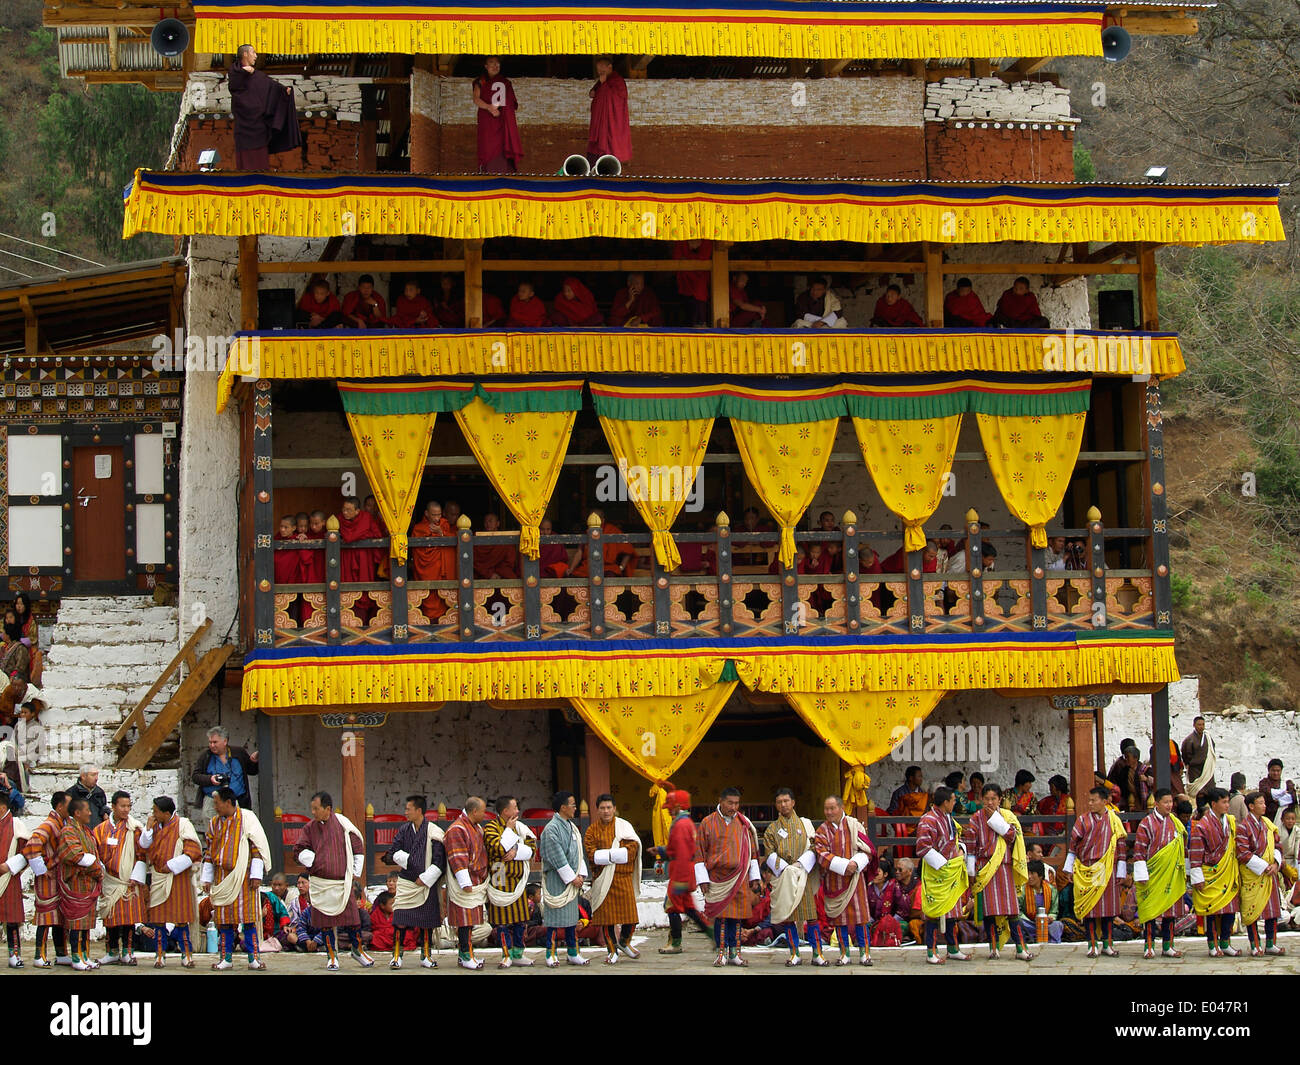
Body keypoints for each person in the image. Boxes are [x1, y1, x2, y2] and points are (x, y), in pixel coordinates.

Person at [294, 790, 372, 969]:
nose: (313, 812)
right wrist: (312, 859)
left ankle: (357, 950)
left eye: (316, 808)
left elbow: (357, 844)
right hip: (321, 884)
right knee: (325, 923)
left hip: (342, 883)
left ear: (327, 808)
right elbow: (299, 849)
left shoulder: (343, 824)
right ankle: (331, 956)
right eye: (312, 808)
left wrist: (355, 871)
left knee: (353, 920)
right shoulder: (309, 828)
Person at [201, 786, 269, 971]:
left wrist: (256, 875)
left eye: (217, 803)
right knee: (224, 921)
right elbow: (209, 851)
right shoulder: (214, 823)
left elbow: (256, 848)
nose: (215, 807)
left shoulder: (247, 819)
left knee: (248, 919)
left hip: (245, 877)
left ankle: (254, 959)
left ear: (228, 803)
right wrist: (206, 878)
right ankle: (226, 959)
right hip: (222, 878)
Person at [694, 786, 761, 967]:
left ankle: (735, 953)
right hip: (717, 878)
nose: (733, 807)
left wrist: (754, 877)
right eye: (730, 803)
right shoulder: (707, 823)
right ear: (720, 801)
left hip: (740, 877)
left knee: (737, 917)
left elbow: (752, 852)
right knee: (721, 916)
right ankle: (721, 953)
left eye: (736, 803)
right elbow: (699, 853)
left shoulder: (744, 823)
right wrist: (702, 879)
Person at [965, 783, 1033, 961]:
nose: (990, 802)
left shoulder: (1007, 816)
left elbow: (1012, 836)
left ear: (1000, 799)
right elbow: (971, 848)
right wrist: (971, 872)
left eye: (993, 799)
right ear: (981, 799)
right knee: (990, 911)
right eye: (986, 799)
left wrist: (994, 818)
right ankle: (993, 949)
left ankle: (1020, 948)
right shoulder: (975, 819)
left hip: (1004, 866)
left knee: (1011, 910)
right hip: (985, 868)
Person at [762, 786, 823, 966]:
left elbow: (815, 846)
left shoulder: (805, 824)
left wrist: (800, 865)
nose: (783, 805)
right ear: (776, 805)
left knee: (811, 915)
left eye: (786, 801)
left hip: (803, 874)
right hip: (785, 876)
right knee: (789, 916)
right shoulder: (772, 829)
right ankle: (794, 953)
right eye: (779, 802)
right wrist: (787, 869)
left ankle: (817, 954)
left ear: (793, 802)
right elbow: (769, 853)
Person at [1064, 785, 1127, 958]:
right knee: (1089, 909)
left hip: (1108, 868)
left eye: (1094, 800)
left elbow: (1121, 845)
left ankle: (1107, 944)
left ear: (1104, 801)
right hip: (1087, 869)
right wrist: (1069, 868)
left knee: (1108, 911)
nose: (1090, 803)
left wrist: (1121, 871)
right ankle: (1092, 945)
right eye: (1089, 800)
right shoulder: (1082, 820)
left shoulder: (1114, 820)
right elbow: (1073, 846)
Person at [383, 794, 444, 969]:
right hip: (407, 883)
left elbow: (439, 861)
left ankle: (426, 956)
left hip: (426, 884)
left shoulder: (434, 831)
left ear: (419, 810)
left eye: (408, 809)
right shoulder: (404, 830)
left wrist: (425, 878)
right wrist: (410, 861)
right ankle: (397, 956)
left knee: (426, 923)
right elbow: (393, 851)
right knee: (400, 919)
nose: (406, 812)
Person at [139, 795, 202, 968]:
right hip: (158, 877)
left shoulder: (183, 825)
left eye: (156, 811)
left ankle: (186, 955)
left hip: (177, 877)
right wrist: (148, 828)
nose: (153, 814)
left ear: (166, 813)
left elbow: (193, 851)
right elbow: (144, 846)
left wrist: (172, 865)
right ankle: (160, 955)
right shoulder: (155, 826)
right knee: (158, 919)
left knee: (181, 918)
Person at [814, 793, 874, 966]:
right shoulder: (822, 830)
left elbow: (867, 849)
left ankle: (865, 954)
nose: (829, 812)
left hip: (855, 879)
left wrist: (855, 863)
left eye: (832, 808)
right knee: (839, 920)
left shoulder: (854, 825)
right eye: (826, 809)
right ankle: (844, 953)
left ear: (841, 808)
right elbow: (821, 854)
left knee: (861, 918)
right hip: (834, 879)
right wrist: (843, 865)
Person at [915, 786, 970, 964]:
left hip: (951, 870)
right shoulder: (928, 820)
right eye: (953, 800)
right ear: (945, 802)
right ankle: (931, 952)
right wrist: (944, 864)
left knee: (952, 911)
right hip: (936, 871)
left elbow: (957, 838)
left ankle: (953, 949)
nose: (955, 803)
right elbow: (923, 847)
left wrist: (960, 851)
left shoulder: (948, 818)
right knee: (934, 912)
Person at [91, 790, 147, 965]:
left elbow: (142, 854)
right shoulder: (100, 830)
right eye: (122, 806)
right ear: (113, 806)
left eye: (129, 806)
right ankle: (112, 952)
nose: (126, 810)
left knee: (129, 919)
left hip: (129, 880)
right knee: (111, 918)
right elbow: (95, 853)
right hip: (109, 880)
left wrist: (136, 876)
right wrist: (100, 871)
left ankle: (127, 952)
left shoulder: (135, 829)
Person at [584, 793, 641, 964]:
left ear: (614, 809)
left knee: (631, 917)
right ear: (597, 810)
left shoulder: (624, 826)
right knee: (607, 919)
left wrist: (607, 856)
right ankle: (612, 949)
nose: (606, 811)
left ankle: (624, 941)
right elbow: (592, 854)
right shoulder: (592, 830)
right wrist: (616, 855)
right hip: (603, 879)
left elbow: (632, 848)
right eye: (602, 808)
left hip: (623, 877)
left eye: (609, 807)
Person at [1130, 787, 1186, 959]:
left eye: (1171, 802)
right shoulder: (1146, 824)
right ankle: (1149, 946)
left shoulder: (1175, 822)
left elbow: (1181, 846)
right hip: (1152, 873)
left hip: (1171, 874)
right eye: (1165, 802)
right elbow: (1139, 850)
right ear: (1157, 803)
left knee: (1170, 912)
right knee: (1150, 911)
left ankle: (1168, 946)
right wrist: (1141, 873)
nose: (1169, 805)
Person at [482, 794, 536, 968]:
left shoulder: (520, 827)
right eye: (515, 808)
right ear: (505, 811)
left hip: (518, 882)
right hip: (500, 881)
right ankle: (506, 954)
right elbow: (498, 848)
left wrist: (516, 851)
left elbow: (532, 848)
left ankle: (518, 953)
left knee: (521, 920)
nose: (518, 811)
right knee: (502, 923)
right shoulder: (491, 828)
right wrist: (508, 831)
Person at [227, 43, 300, 169]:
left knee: (260, 163)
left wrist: (284, 91)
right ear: (245, 54)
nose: (256, 56)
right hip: (243, 126)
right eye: (253, 53)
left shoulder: (258, 75)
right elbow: (234, 86)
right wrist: (243, 72)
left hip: (259, 127)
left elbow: (272, 86)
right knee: (245, 165)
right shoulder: (235, 73)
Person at [538, 790, 589, 967]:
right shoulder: (551, 829)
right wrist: (572, 877)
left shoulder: (571, 827)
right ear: (563, 807)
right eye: (572, 805)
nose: (575, 808)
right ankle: (550, 953)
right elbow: (557, 856)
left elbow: (578, 853)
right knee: (554, 920)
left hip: (573, 879)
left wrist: (580, 874)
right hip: (557, 880)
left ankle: (573, 953)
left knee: (571, 920)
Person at [653, 789, 707, 954]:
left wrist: (680, 879)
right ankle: (712, 934)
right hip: (684, 871)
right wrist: (660, 850)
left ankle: (675, 943)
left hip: (680, 873)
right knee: (688, 908)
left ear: (677, 806)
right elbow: (677, 849)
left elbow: (681, 853)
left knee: (672, 906)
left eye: (670, 807)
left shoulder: (681, 825)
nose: (668, 810)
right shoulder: (684, 822)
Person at [1189, 787, 1240, 957]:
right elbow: (1196, 852)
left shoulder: (1230, 822)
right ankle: (1213, 944)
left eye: (1227, 802)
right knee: (1210, 910)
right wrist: (1197, 876)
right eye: (1224, 802)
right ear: (1213, 804)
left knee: (1230, 908)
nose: (1227, 805)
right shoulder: (1202, 826)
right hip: (1210, 873)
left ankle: (1225, 942)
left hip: (1227, 872)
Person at [23, 791, 70, 966]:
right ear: (60, 806)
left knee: (59, 917)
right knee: (46, 917)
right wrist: (42, 869)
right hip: (48, 879)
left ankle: (61, 954)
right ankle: (39, 956)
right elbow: (32, 845)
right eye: (69, 805)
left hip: (59, 877)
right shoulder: (49, 824)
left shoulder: (62, 823)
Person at [1236, 791, 1286, 956]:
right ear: (1251, 806)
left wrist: (1275, 863)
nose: (1264, 806)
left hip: (1270, 873)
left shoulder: (1268, 824)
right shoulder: (1243, 827)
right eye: (1261, 803)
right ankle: (1255, 944)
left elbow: (1277, 845)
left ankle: (1271, 944)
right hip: (1254, 874)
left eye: (1264, 803)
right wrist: (1264, 866)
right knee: (1252, 910)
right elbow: (1243, 852)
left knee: (1272, 911)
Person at [444, 796, 491, 969]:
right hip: (464, 883)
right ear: (474, 811)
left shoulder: (475, 827)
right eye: (483, 811)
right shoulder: (457, 829)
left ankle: (466, 955)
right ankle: (465, 955)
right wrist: (465, 883)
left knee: (470, 923)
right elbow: (457, 856)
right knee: (465, 922)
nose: (485, 815)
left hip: (476, 880)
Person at [58, 796, 104, 970]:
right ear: (77, 813)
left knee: (86, 925)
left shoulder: (86, 831)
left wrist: (97, 868)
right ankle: (76, 957)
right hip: (77, 883)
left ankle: (85, 955)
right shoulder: (68, 831)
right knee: (77, 923)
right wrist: (96, 869)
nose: (90, 814)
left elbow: (93, 854)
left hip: (89, 884)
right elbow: (75, 856)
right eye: (87, 810)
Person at [192, 726, 258, 821]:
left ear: (225, 741)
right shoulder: (206, 756)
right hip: (213, 802)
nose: (212, 745)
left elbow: (252, 771)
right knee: (213, 829)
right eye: (210, 742)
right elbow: (195, 776)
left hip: (237, 801)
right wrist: (210, 779)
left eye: (215, 742)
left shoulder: (239, 752)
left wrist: (254, 762)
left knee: (238, 828)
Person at [472, 55, 522, 173]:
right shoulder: (481, 81)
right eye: (491, 62)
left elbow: (509, 101)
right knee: (487, 145)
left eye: (497, 63)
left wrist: (498, 105)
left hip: (502, 121)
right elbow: (476, 99)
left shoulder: (505, 83)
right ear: (486, 66)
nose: (495, 65)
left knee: (504, 143)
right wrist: (489, 107)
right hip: (487, 121)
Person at [411, 500, 455, 621]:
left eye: (439, 515)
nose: (437, 518)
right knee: (430, 593)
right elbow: (417, 552)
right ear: (426, 513)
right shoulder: (419, 528)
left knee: (443, 594)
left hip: (443, 568)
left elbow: (455, 538)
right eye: (434, 515)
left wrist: (441, 533)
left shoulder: (444, 524)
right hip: (428, 569)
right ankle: (431, 620)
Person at [0, 791, 28, 967]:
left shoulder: (16, 825)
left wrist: (8, 866)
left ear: (2, 808)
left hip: (8, 877)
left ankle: (14, 955)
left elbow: (28, 852)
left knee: (11, 919)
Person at [587, 55, 631, 164]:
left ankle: (610, 164)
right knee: (594, 152)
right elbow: (593, 93)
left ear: (609, 67)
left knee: (611, 145)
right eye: (598, 69)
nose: (599, 72)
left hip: (611, 120)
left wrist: (604, 85)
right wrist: (594, 90)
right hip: (600, 121)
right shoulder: (603, 81)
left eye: (602, 68)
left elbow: (618, 99)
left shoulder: (617, 81)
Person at [339, 496, 385, 583]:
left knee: (364, 579)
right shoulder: (340, 519)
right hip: (347, 554)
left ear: (357, 511)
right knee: (347, 581)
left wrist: (363, 535)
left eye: (349, 510)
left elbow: (378, 535)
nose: (345, 512)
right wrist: (365, 534)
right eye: (344, 509)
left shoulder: (366, 517)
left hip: (364, 554)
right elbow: (347, 537)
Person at [1017, 859, 1062, 944]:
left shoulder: (1051, 890)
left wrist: (1050, 918)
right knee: (1019, 922)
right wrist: (1032, 920)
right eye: (1028, 874)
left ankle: (1053, 944)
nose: (1029, 877)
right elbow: (1019, 911)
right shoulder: (1022, 890)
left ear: (1040, 875)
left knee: (1057, 925)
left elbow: (1054, 910)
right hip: (1029, 923)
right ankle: (1030, 939)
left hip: (1045, 923)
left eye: (1032, 874)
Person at [673, 239, 712, 326]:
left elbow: (703, 258)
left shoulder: (706, 241)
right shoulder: (681, 240)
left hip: (700, 278)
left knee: (700, 301)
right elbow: (677, 257)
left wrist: (686, 258)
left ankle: (701, 324)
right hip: (685, 279)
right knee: (688, 309)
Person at [474, 512, 519, 579]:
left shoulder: (505, 541)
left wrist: (498, 572)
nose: (487, 524)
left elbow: (509, 562)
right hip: (483, 573)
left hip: (501, 573)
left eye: (490, 521)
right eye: (485, 522)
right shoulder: (478, 540)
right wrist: (489, 574)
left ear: (498, 524)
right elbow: (475, 561)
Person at [1181, 716, 1216, 802]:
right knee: (1199, 793)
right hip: (1195, 770)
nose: (1201, 727)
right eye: (1199, 725)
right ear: (1194, 725)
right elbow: (1185, 754)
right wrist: (1190, 763)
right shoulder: (1189, 739)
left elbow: (1212, 750)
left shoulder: (1208, 738)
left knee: (1210, 791)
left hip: (1207, 769)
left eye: (1203, 724)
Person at [288, 874, 326, 952]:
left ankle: (311, 947)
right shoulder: (306, 911)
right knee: (291, 937)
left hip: (321, 937)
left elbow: (327, 928)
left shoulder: (325, 910)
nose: (300, 886)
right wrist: (307, 940)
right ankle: (309, 947)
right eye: (298, 883)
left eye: (303, 883)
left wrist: (316, 940)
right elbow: (301, 927)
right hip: (308, 937)